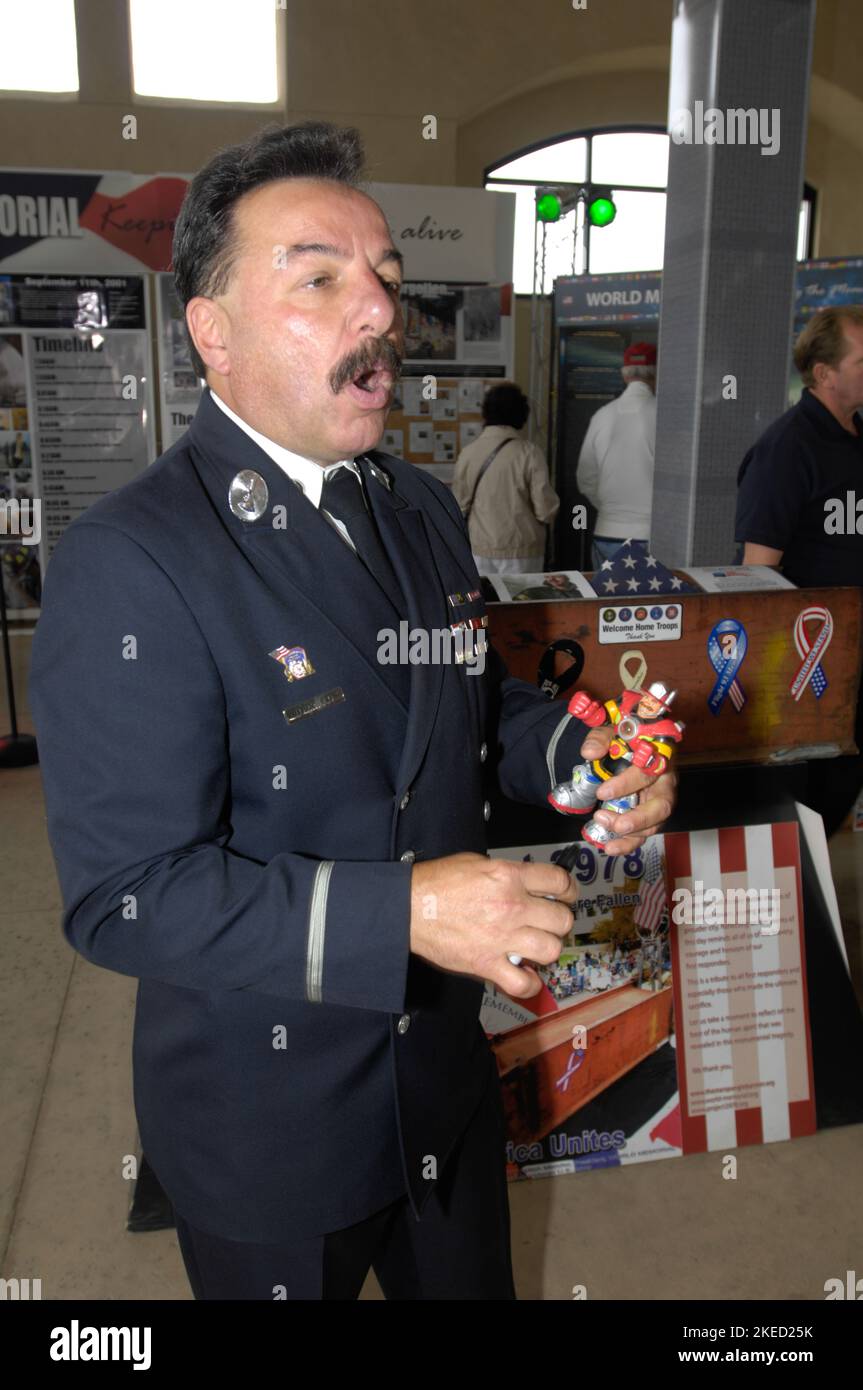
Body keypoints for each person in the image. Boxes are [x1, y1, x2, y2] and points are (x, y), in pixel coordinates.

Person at [29, 122, 676, 1303]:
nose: (376, 309)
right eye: (318, 277)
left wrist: (589, 754)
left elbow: (470, 708)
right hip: (264, 1132)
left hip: (438, 1083)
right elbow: (127, 894)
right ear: (211, 332)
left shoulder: (419, 508)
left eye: (382, 277)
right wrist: (406, 911)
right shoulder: (135, 558)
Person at [735, 306, 863, 837]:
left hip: (858, 658)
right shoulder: (787, 448)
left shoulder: (857, 438)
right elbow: (757, 573)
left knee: (845, 777)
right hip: (815, 665)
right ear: (824, 373)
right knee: (814, 793)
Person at [451, 381, 559, 576]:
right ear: (521, 414)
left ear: (486, 413)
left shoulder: (468, 453)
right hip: (523, 550)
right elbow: (545, 510)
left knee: (487, 606)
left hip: (479, 549)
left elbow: (459, 505)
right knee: (522, 605)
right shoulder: (530, 453)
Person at [577, 342, 658, 570]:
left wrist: (609, 508)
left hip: (607, 531)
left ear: (624, 375)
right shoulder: (665, 418)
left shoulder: (602, 416)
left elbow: (585, 477)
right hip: (651, 534)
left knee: (607, 605)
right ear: (657, 372)